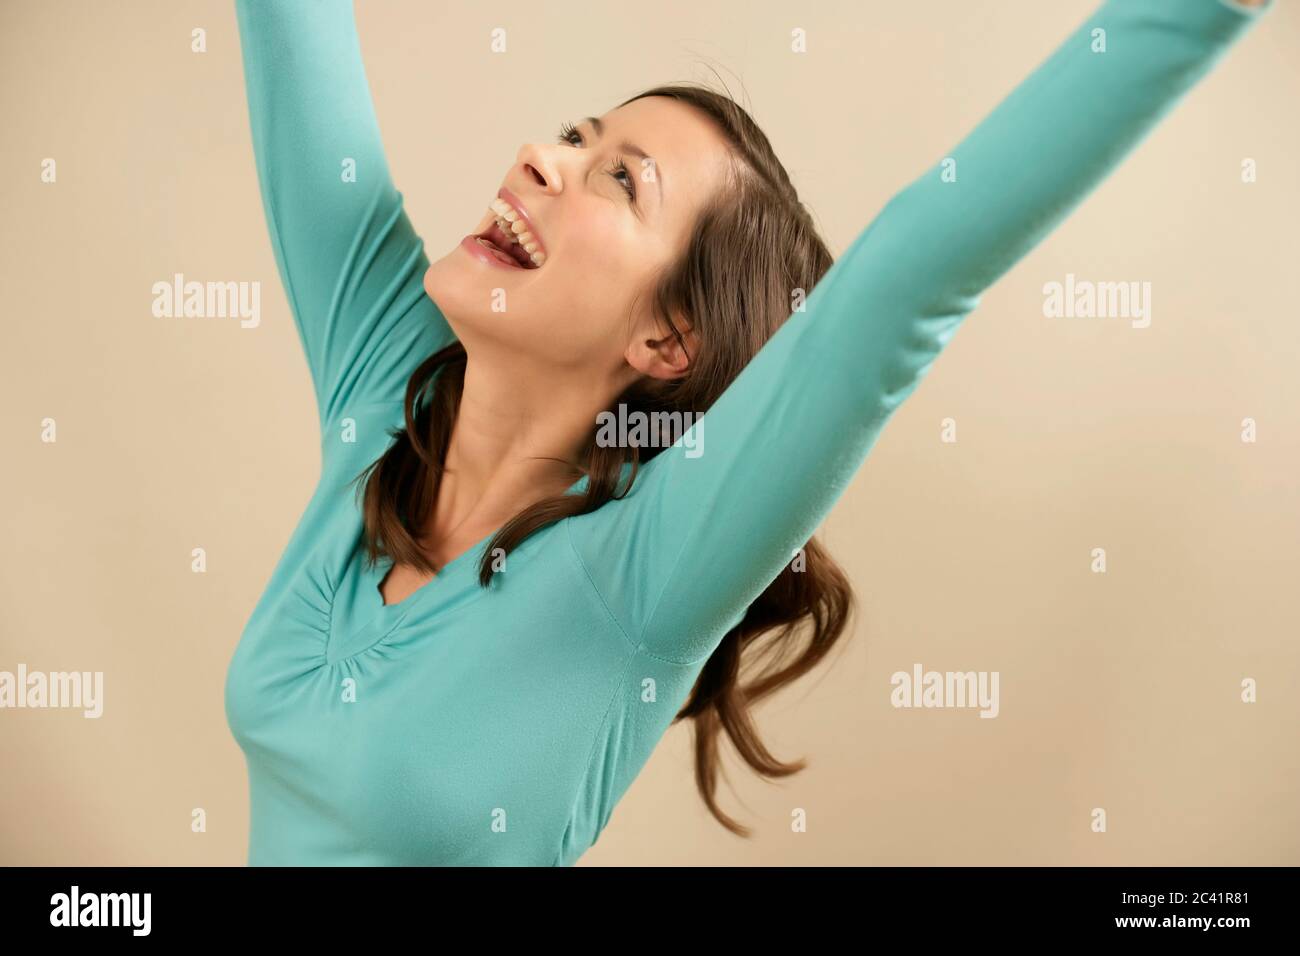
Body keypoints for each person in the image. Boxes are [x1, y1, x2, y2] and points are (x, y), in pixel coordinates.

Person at [225, 0, 1272, 865]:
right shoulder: (385, 391)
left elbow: (910, 274)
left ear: (666, 336)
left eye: (621, 179)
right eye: (578, 136)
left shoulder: (640, 575)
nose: (541, 157)